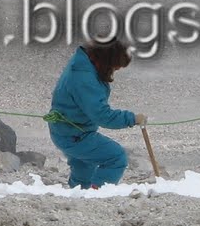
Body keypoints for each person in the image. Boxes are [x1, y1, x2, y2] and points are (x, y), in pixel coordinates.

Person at [47, 37, 147, 188]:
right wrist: (131, 119)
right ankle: (98, 195)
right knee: (116, 158)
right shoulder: (85, 78)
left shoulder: (83, 61)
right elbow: (102, 115)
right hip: (75, 135)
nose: (114, 71)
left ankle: (78, 199)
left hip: (66, 131)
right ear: (108, 60)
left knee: (84, 172)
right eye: (115, 67)